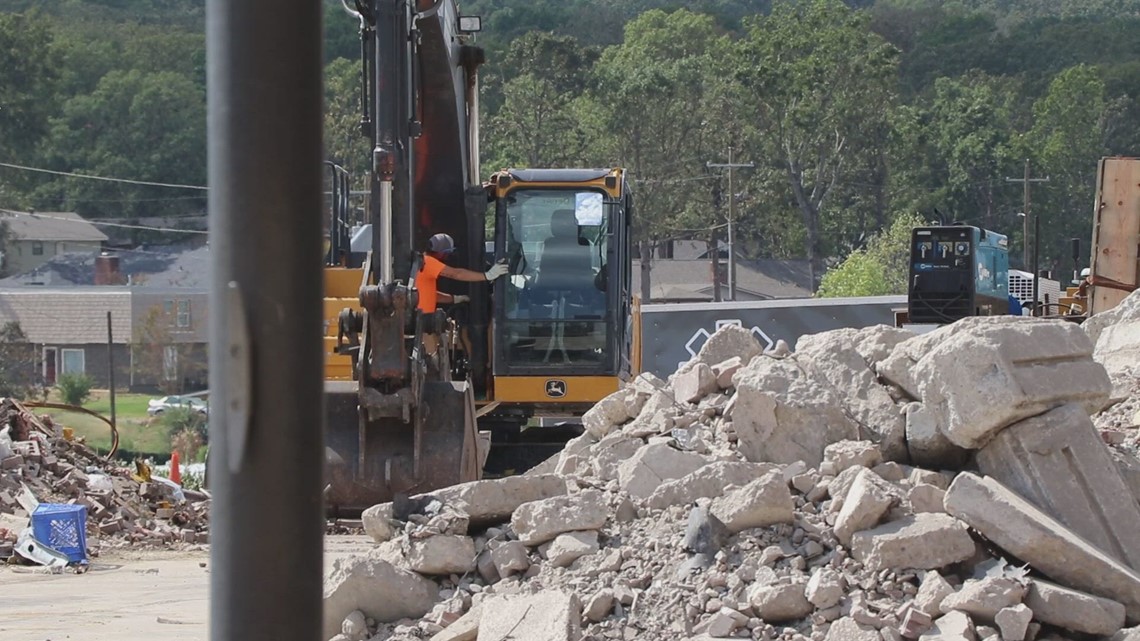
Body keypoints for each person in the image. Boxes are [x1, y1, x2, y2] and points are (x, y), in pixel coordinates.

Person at [417, 232, 509, 313]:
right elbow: (456, 274)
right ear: (441, 252)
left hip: (424, 322)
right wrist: (488, 275)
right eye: (448, 253)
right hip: (421, 322)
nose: (448, 257)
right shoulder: (428, 262)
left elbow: (432, 296)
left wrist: (455, 299)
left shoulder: (422, 262)